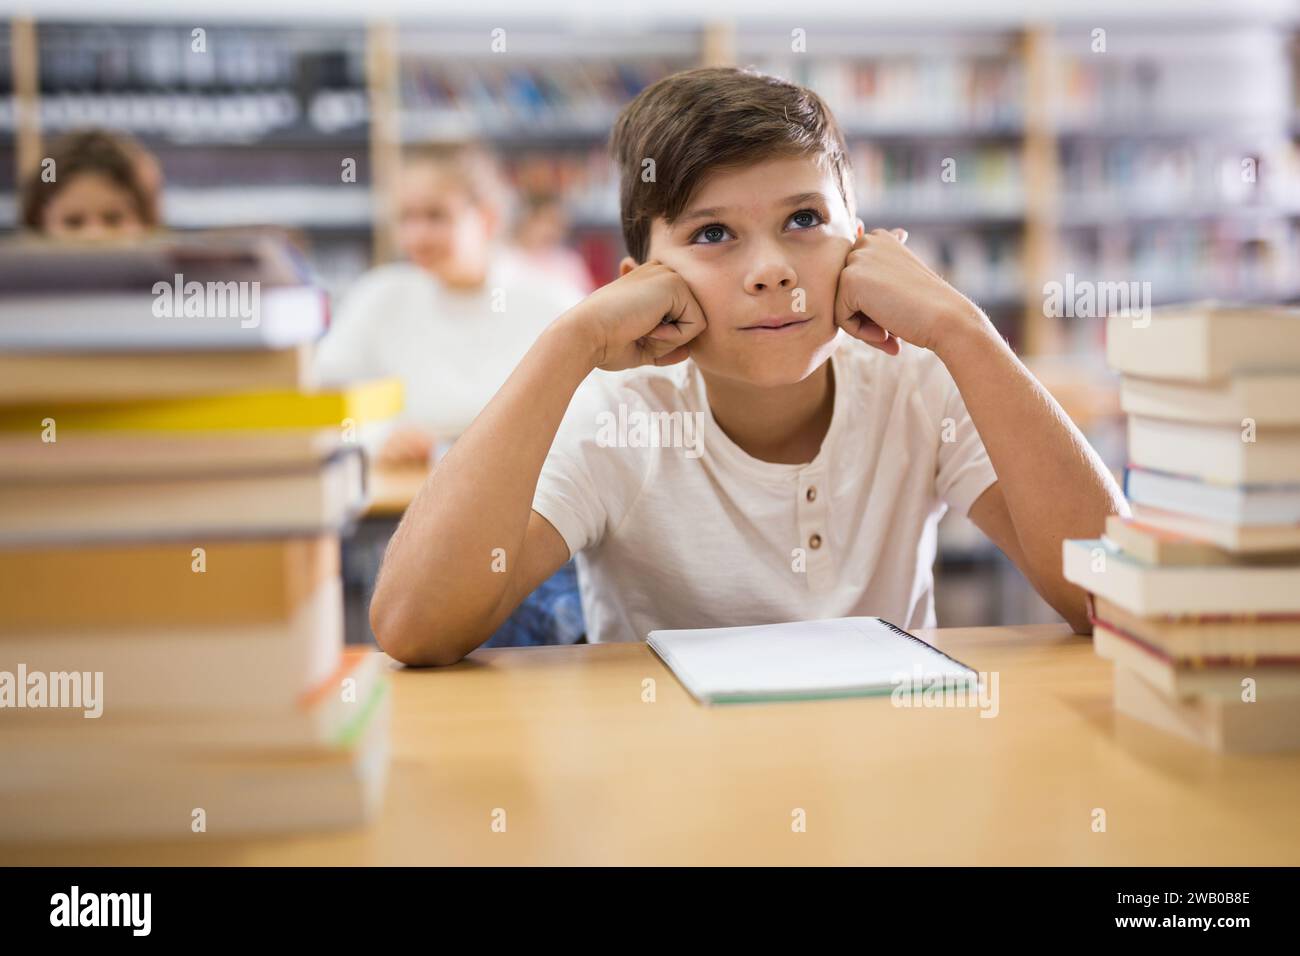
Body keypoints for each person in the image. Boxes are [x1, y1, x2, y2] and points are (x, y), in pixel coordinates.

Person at [369, 67, 1127, 665]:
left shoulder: (917, 379)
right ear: (643, 281)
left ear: (863, 247)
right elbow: (412, 626)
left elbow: (1117, 599)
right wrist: (567, 346)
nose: (769, 270)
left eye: (804, 220)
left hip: (889, 772)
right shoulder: (624, 413)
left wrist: (964, 330)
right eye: (712, 234)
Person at [316, 141, 586, 647]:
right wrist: (381, 438)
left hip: (528, 508)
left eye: (436, 216)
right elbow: (324, 398)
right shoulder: (382, 296)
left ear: (485, 218)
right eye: (407, 217)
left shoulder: (546, 298)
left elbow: (591, 412)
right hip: (413, 510)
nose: (417, 234)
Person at [21, 128, 161, 239]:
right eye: (73, 222)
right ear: (39, 226)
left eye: (113, 219)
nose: (94, 236)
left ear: (146, 221)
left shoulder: (174, 275)